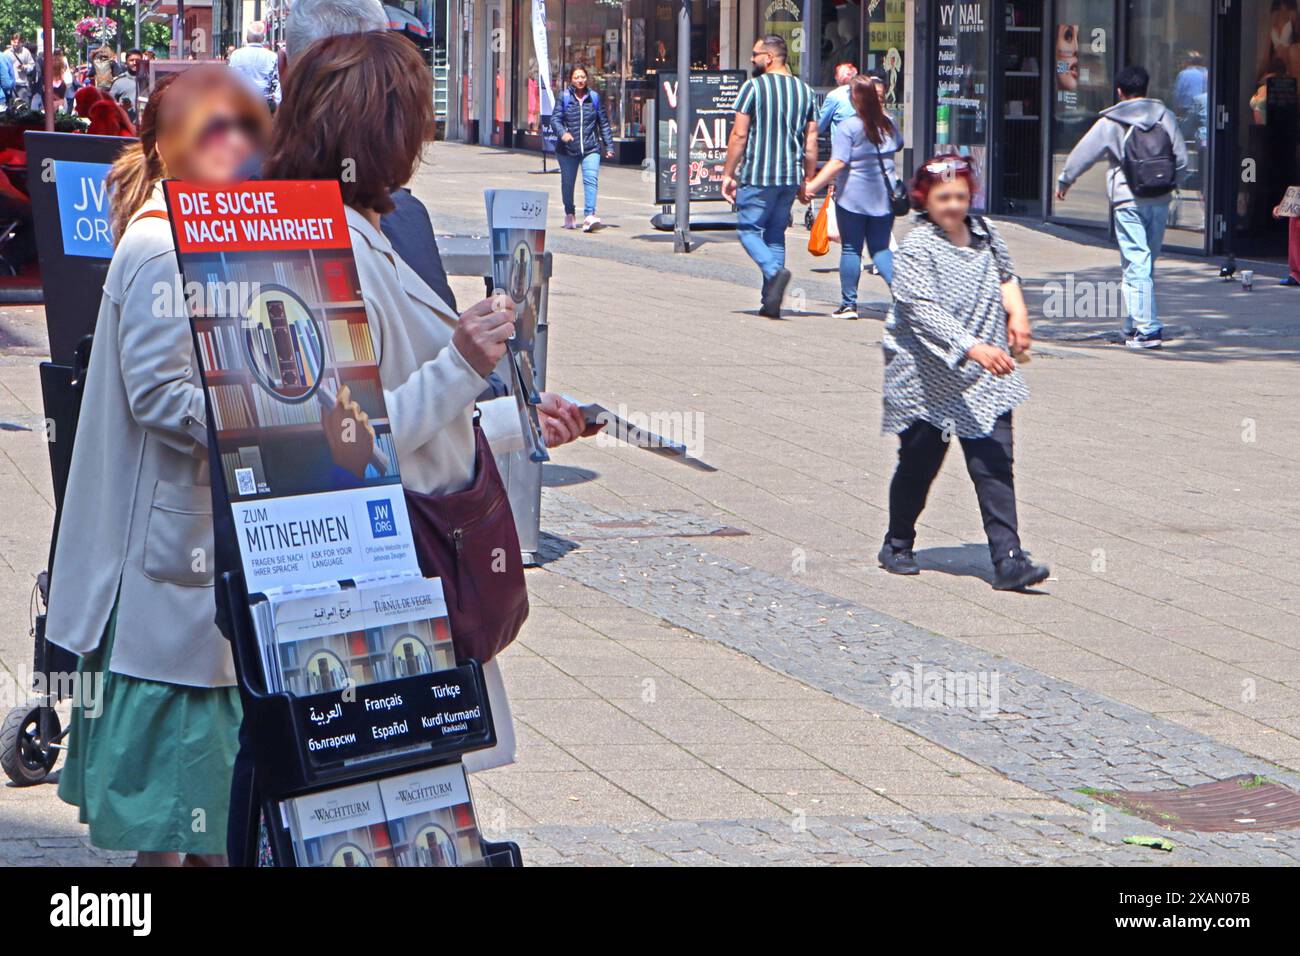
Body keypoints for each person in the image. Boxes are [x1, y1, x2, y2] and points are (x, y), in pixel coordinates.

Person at [45, 65, 272, 867]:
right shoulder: (158, 243)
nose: (238, 148)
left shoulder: (197, 229)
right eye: (217, 132)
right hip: (163, 585)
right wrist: (273, 417)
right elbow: (160, 396)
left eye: (246, 129)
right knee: (181, 828)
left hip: (184, 575)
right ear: (167, 145)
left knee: (195, 828)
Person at [878, 156, 1049, 593]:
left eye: (960, 196)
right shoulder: (918, 246)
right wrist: (972, 347)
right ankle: (898, 541)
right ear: (925, 200)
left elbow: (1007, 277)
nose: (953, 205)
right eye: (943, 198)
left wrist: (1019, 315)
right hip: (925, 377)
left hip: (987, 375)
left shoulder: (987, 234)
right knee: (919, 465)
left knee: (994, 463)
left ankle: (1008, 559)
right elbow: (921, 309)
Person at [1057, 65, 1186, 351]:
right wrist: (1171, 183)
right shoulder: (1164, 116)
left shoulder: (1112, 120)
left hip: (1128, 200)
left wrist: (1066, 178)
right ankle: (1133, 323)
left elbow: (1084, 152)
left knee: (1136, 260)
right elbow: (1182, 159)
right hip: (1160, 200)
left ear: (1119, 91)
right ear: (1146, 89)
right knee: (1143, 261)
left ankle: (1148, 329)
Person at [721, 35, 818, 318]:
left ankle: (775, 272)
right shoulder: (805, 91)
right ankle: (770, 302)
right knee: (775, 234)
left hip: (759, 174)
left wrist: (728, 173)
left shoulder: (752, 88)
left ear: (770, 58)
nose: (752, 59)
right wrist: (807, 179)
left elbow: (739, 135)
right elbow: (811, 141)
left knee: (748, 230)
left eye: (755, 54)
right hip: (789, 175)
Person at [803, 74, 902, 318]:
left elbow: (838, 162)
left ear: (855, 99)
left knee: (851, 249)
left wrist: (812, 185)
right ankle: (904, 300)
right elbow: (899, 144)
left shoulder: (849, 126)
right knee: (881, 251)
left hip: (852, 197)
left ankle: (849, 304)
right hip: (884, 196)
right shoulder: (888, 123)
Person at [550, 66, 614, 231]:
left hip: (590, 147)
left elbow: (603, 123)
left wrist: (609, 145)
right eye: (577, 77)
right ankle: (569, 213)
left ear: (587, 78)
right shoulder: (564, 97)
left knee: (591, 180)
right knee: (568, 184)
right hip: (567, 150)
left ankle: (589, 216)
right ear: (571, 79)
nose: (580, 80)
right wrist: (563, 133)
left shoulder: (593, 97)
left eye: (583, 77)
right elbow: (555, 119)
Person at [229, 20, 280, 109]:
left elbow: (230, 79)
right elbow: (277, 81)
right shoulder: (272, 56)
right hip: (265, 103)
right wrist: (276, 102)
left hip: (241, 102)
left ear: (247, 38)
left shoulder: (236, 55)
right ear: (263, 38)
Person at [818, 62, 858, 138]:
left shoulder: (834, 95)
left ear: (838, 77)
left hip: (841, 144)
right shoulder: (864, 92)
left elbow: (820, 125)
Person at [1275, 194, 1300, 286]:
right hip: (1295, 229)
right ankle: (1296, 275)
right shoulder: (1296, 194)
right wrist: (1278, 210)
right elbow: (1283, 207)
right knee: (1295, 249)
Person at [2, 33, 33, 107]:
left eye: (18, 42)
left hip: (22, 85)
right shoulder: (6, 53)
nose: (16, 44)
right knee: (12, 108)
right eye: (14, 42)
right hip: (11, 85)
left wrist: (24, 67)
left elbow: (32, 65)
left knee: (23, 107)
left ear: (21, 42)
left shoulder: (26, 52)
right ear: (11, 42)